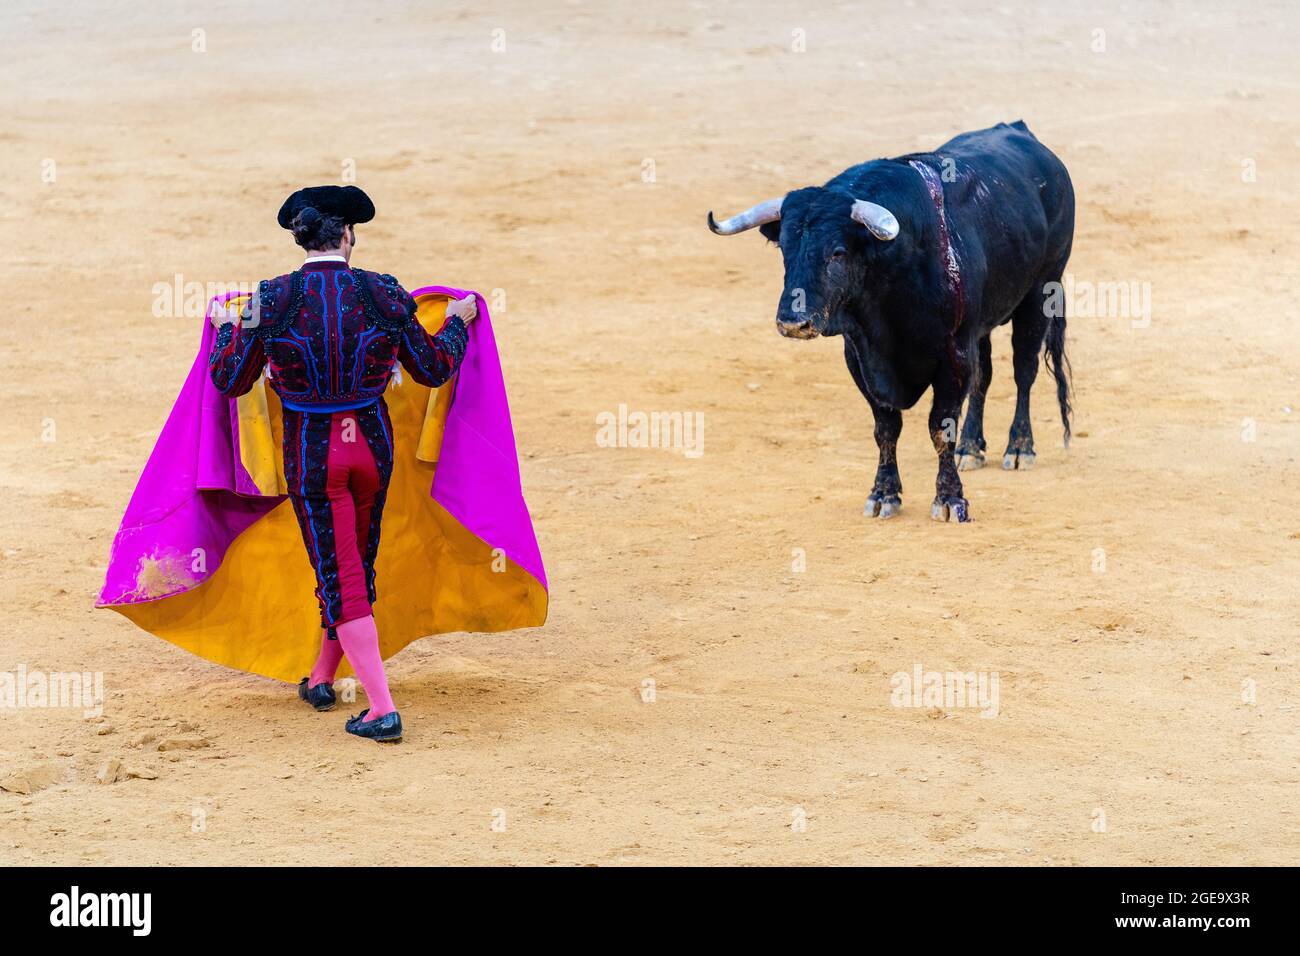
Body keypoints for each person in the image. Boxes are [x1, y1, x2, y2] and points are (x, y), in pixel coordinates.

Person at [208, 185, 477, 742]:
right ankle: (322, 677)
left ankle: (382, 708)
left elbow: (230, 380)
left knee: (339, 570)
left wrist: (224, 330)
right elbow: (431, 368)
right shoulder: (382, 292)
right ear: (348, 237)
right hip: (370, 448)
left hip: (313, 451)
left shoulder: (272, 298)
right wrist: (455, 321)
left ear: (299, 239)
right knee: (354, 561)